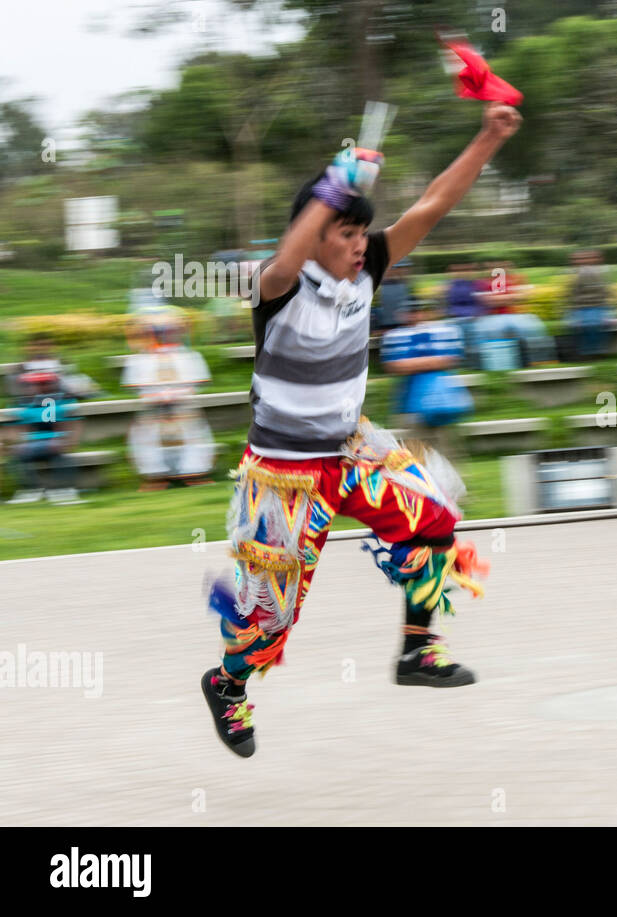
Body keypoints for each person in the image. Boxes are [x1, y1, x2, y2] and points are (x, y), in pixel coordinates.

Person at [200, 100, 521, 758]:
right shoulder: (276, 288)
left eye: (360, 235)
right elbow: (287, 261)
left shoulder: (366, 268)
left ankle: (417, 648)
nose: (359, 245)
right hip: (284, 478)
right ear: (315, 230)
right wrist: (332, 186)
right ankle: (228, 684)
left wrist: (487, 139)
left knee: (433, 516)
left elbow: (431, 205)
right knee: (269, 617)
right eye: (345, 233)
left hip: (349, 454)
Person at [122, 307, 215, 489]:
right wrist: (158, 396)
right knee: (147, 438)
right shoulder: (139, 359)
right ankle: (155, 477)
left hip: (183, 408)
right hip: (153, 410)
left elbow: (195, 383)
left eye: (167, 331)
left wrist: (176, 395)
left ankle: (194, 473)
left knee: (194, 435)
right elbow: (138, 386)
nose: (162, 336)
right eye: (158, 332)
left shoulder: (190, 356)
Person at [381, 298, 472, 462]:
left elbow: (449, 359)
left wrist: (414, 364)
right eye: (411, 311)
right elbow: (395, 366)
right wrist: (431, 362)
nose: (415, 315)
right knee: (413, 451)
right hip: (409, 400)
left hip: (441, 399)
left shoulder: (444, 331)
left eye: (419, 310)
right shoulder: (396, 336)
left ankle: (451, 484)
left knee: (446, 448)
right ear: (401, 314)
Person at [3, 360, 84, 506]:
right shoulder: (22, 403)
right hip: (32, 443)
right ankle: (31, 490)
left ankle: (62, 489)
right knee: (17, 454)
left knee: (58, 452)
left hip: (55, 440)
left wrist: (70, 440)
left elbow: (72, 423)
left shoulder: (61, 400)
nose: (39, 387)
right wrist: (11, 443)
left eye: (44, 383)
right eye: (35, 384)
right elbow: (17, 428)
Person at [474, 260, 556, 365]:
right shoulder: (482, 282)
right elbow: (488, 301)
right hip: (493, 317)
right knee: (493, 328)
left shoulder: (518, 279)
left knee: (533, 326)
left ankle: (539, 360)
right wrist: (512, 297)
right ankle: (500, 363)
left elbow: (525, 296)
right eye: (494, 266)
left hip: (517, 316)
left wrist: (499, 299)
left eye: (502, 266)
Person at [565, 249, 612, 359]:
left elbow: (605, 293)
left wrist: (603, 307)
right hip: (579, 308)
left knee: (594, 323)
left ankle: (595, 350)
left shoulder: (602, 273)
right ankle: (587, 351)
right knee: (585, 323)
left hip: (598, 306)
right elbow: (571, 295)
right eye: (577, 259)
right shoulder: (572, 274)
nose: (584, 261)